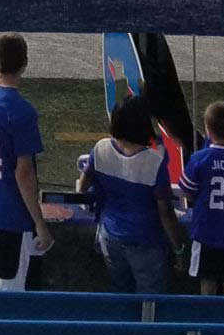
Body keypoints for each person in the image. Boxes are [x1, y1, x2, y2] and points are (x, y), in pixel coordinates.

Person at [0, 33, 51, 290]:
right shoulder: (20, 111)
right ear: (25, 63)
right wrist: (40, 224)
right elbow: (23, 174)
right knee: (15, 296)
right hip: (12, 216)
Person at [77, 94, 181, 294]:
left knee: (119, 291)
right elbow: (166, 213)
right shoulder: (154, 161)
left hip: (110, 236)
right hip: (145, 241)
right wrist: (179, 248)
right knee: (150, 297)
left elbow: (83, 186)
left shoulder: (100, 148)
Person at [177, 102, 224, 296]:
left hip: (206, 231)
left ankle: (206, 321)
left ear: (208, 130)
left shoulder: (200, 158)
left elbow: (186, 190)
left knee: (207, 279)